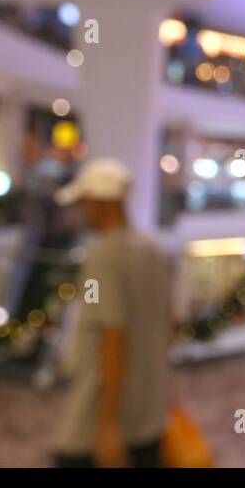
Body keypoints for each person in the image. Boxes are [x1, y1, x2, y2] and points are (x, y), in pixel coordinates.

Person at [52, 158, 171, 467]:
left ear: (97, 202)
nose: (81, 211)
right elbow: (169, 323)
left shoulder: (101, 256)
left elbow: (112, 335)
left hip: (100, 418)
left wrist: (106, 425)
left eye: (83, 203)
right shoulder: (154, 249)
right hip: (149, 415)